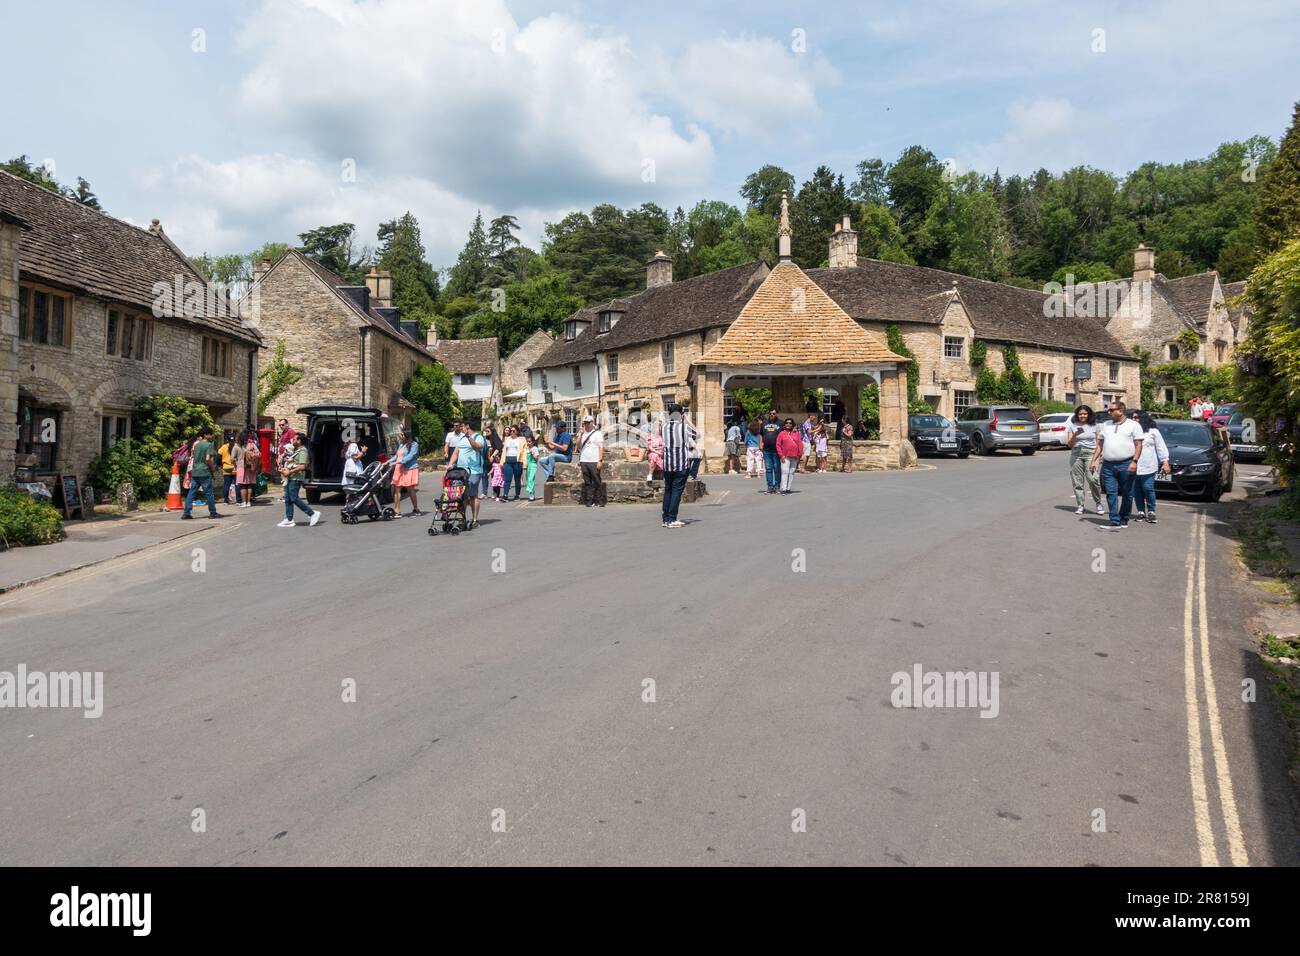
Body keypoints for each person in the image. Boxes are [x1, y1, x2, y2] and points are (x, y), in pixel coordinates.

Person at [1091, 400, 1144, 531]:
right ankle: (1115, 520)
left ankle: (1124, 518)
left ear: (1121, 411)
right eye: (1109, 410)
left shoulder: (1133, 425)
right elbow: (1100, 445)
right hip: (1108, 465)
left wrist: (1134, 461)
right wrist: (1094, 460)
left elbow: (1138, 445)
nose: (1109, 412)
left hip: (1126, 463)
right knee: (1110, 493)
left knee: (1127, 493)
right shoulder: (1106, 425)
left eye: (1111, 410)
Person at [660, 403, 696, 528]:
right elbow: (697, 434)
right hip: (680, 464)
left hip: (667, 464)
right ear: (680, 414)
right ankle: (672, 519)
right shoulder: (683, 427)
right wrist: (686, 419)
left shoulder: (663, 427)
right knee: (676, 491)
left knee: (668, 490)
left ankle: (665, 518)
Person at [448, 421, 487, 529]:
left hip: (474, 471)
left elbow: (478, 448)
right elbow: (456, 452)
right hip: (461, 472)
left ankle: (474, 520)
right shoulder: (461, 438)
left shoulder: (478, 437)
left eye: (461, 426)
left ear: (467, 426)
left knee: (472, 495)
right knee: (462, 496)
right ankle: (463, 519)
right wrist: (450, 464)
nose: (460, 428)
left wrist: (469, 437)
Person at [1066, 405, 1104, 516]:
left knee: (1093, 479)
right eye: (1080, 414)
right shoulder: (1072, 426)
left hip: (1090, 454)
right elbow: (1069, 444)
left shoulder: (1095, 426)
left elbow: (1099, 443)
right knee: (1077, 481)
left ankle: (1098, 503)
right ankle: (1080, 505)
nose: (1082, 416)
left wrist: (1099, 456)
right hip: (1076, 453)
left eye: (1085, 414)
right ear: (1077, 415)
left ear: (1089, 414)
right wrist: (1075, 435)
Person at [1133, 411, 1171, 523]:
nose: (1134, 420)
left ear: (1143, 418)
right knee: (1137, 490)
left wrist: (1165, 462)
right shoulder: (1131, 432)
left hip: (1148, 465)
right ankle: (1140, 511)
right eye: (1133, 418)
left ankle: (1151, 511)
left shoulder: (1153, 432)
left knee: (1148, 488)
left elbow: (1161, 447)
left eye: (1136, 417)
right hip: (1133, 465)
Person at [279, 432, 321, 527]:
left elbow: (302, 466)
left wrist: (289, 472)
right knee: (288, 499)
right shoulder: (297, 450)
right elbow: (294, 463)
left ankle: (312, 513)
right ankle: (289, 519)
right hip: (291, 477)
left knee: (294, 498)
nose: (293, 440)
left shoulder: (303, 451)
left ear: (299, 441)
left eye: (295, 439)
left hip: (296, 478)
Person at [181, 428, 224, 519]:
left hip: (195, 471)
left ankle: (186, 513)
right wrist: (212, 468)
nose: (212, 436)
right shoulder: (209, 445)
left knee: (192, 492)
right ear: (205, 435)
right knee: (209, 493)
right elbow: (208, 459)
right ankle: (213, 512)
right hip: (204, 471)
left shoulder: (196, 445)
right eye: (210, 434)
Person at [390, 428, 423, 517]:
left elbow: (411, 456)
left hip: (409, 469)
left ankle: (416, 509)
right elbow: (397, 455)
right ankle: (397, 511)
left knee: (410, 489)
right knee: (397, 489)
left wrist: (398, 462)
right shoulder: (402, 445)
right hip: (399, 468)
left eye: (402, 435)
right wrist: (388, 461)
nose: (400, 436)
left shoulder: (414, 445)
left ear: (406, 435)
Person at [576, 415, 605, 507]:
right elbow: (578, 446)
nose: (587, 425)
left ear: (592, 423)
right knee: (587, 482)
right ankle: (589, 501)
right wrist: (580, 435)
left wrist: (600, 460)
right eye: (585, 423)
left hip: (594, 460)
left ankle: (599, 500)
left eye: (588, 423)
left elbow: (601, 447)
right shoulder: (583, 434)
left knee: (597, 481)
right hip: (584, 460)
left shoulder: (597, 433)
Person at [536, 418, 574, 482]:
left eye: (558, 428)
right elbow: (552, 447)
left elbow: (565, 448)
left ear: (563, 428)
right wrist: (547, 443)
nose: (556, 429)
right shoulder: (557, 436)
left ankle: (551, 475)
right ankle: (549, 475)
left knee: (552, 456)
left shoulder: (566, 435)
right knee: (541, 460)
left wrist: (553, 443)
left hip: (566, 457)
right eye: (556, 427)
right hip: (558, 456)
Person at [776, 418, 802, 494]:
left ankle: (788, 488)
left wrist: (799, 455)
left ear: (792, 424)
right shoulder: (781, 433)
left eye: (790, 423)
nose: (788, 424)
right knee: (785, 472)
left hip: (794, 456)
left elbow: (800, 444)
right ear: (784, 424)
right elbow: (778, 444)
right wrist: (781, 455)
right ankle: (783, 488)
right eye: (787, 423)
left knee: (792, 472)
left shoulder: (796, 433)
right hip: (785, 456)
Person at [760, 409, 782, 494]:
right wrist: (760, 443)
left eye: (773, 413)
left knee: (777, 468)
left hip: (777, 449)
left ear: (776, 414)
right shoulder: (764, 423)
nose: (772, 415)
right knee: (768, 469)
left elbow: (785, 433)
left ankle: (777, 486)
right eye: (770, 413)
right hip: (767, 449)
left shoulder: (781, 423)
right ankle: (770, 487)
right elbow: (761, 434)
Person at [502, 426, 524, 500]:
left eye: (513, 431)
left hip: (517, 460)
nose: (512, 432)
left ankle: (517, 495)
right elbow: (504, 451)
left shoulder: (521, 439)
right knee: (507, 479)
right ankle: (505, 495)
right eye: (511, 431)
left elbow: (524, 452)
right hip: (508, 460)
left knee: (517, 479)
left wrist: (524, 463)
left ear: (517, 431)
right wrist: (502, 462)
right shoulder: (507, 439)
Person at [240, 431, 262, 508]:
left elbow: (234, 458)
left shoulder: (240, 446)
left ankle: (243, 502)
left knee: (243, 485)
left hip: (243, 467)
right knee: (249, 485)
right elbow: (258, 454)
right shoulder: (252, 444)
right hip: (252, 466)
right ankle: (248, 502)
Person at [218, 431, 237, 505]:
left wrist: (220, 465)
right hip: (235, 468)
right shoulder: (236, 446)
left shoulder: (223, 447)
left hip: (226, 467)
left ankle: (226, 500)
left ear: (227, 439)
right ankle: (238, 500)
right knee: (236, 484)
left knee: (226, 484)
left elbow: (218, 457)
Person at [525, 435, 541, 501]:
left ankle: (531, 495)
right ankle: (531, 493)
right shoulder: (526, 448)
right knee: (528, 479)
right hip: (528, 465)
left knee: (531, 479)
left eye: (530, 441)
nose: (528, 443)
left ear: (533, 442)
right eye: (527, 441)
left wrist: (531, 453)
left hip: (533, 465)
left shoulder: (534, 448)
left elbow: (536, 459)